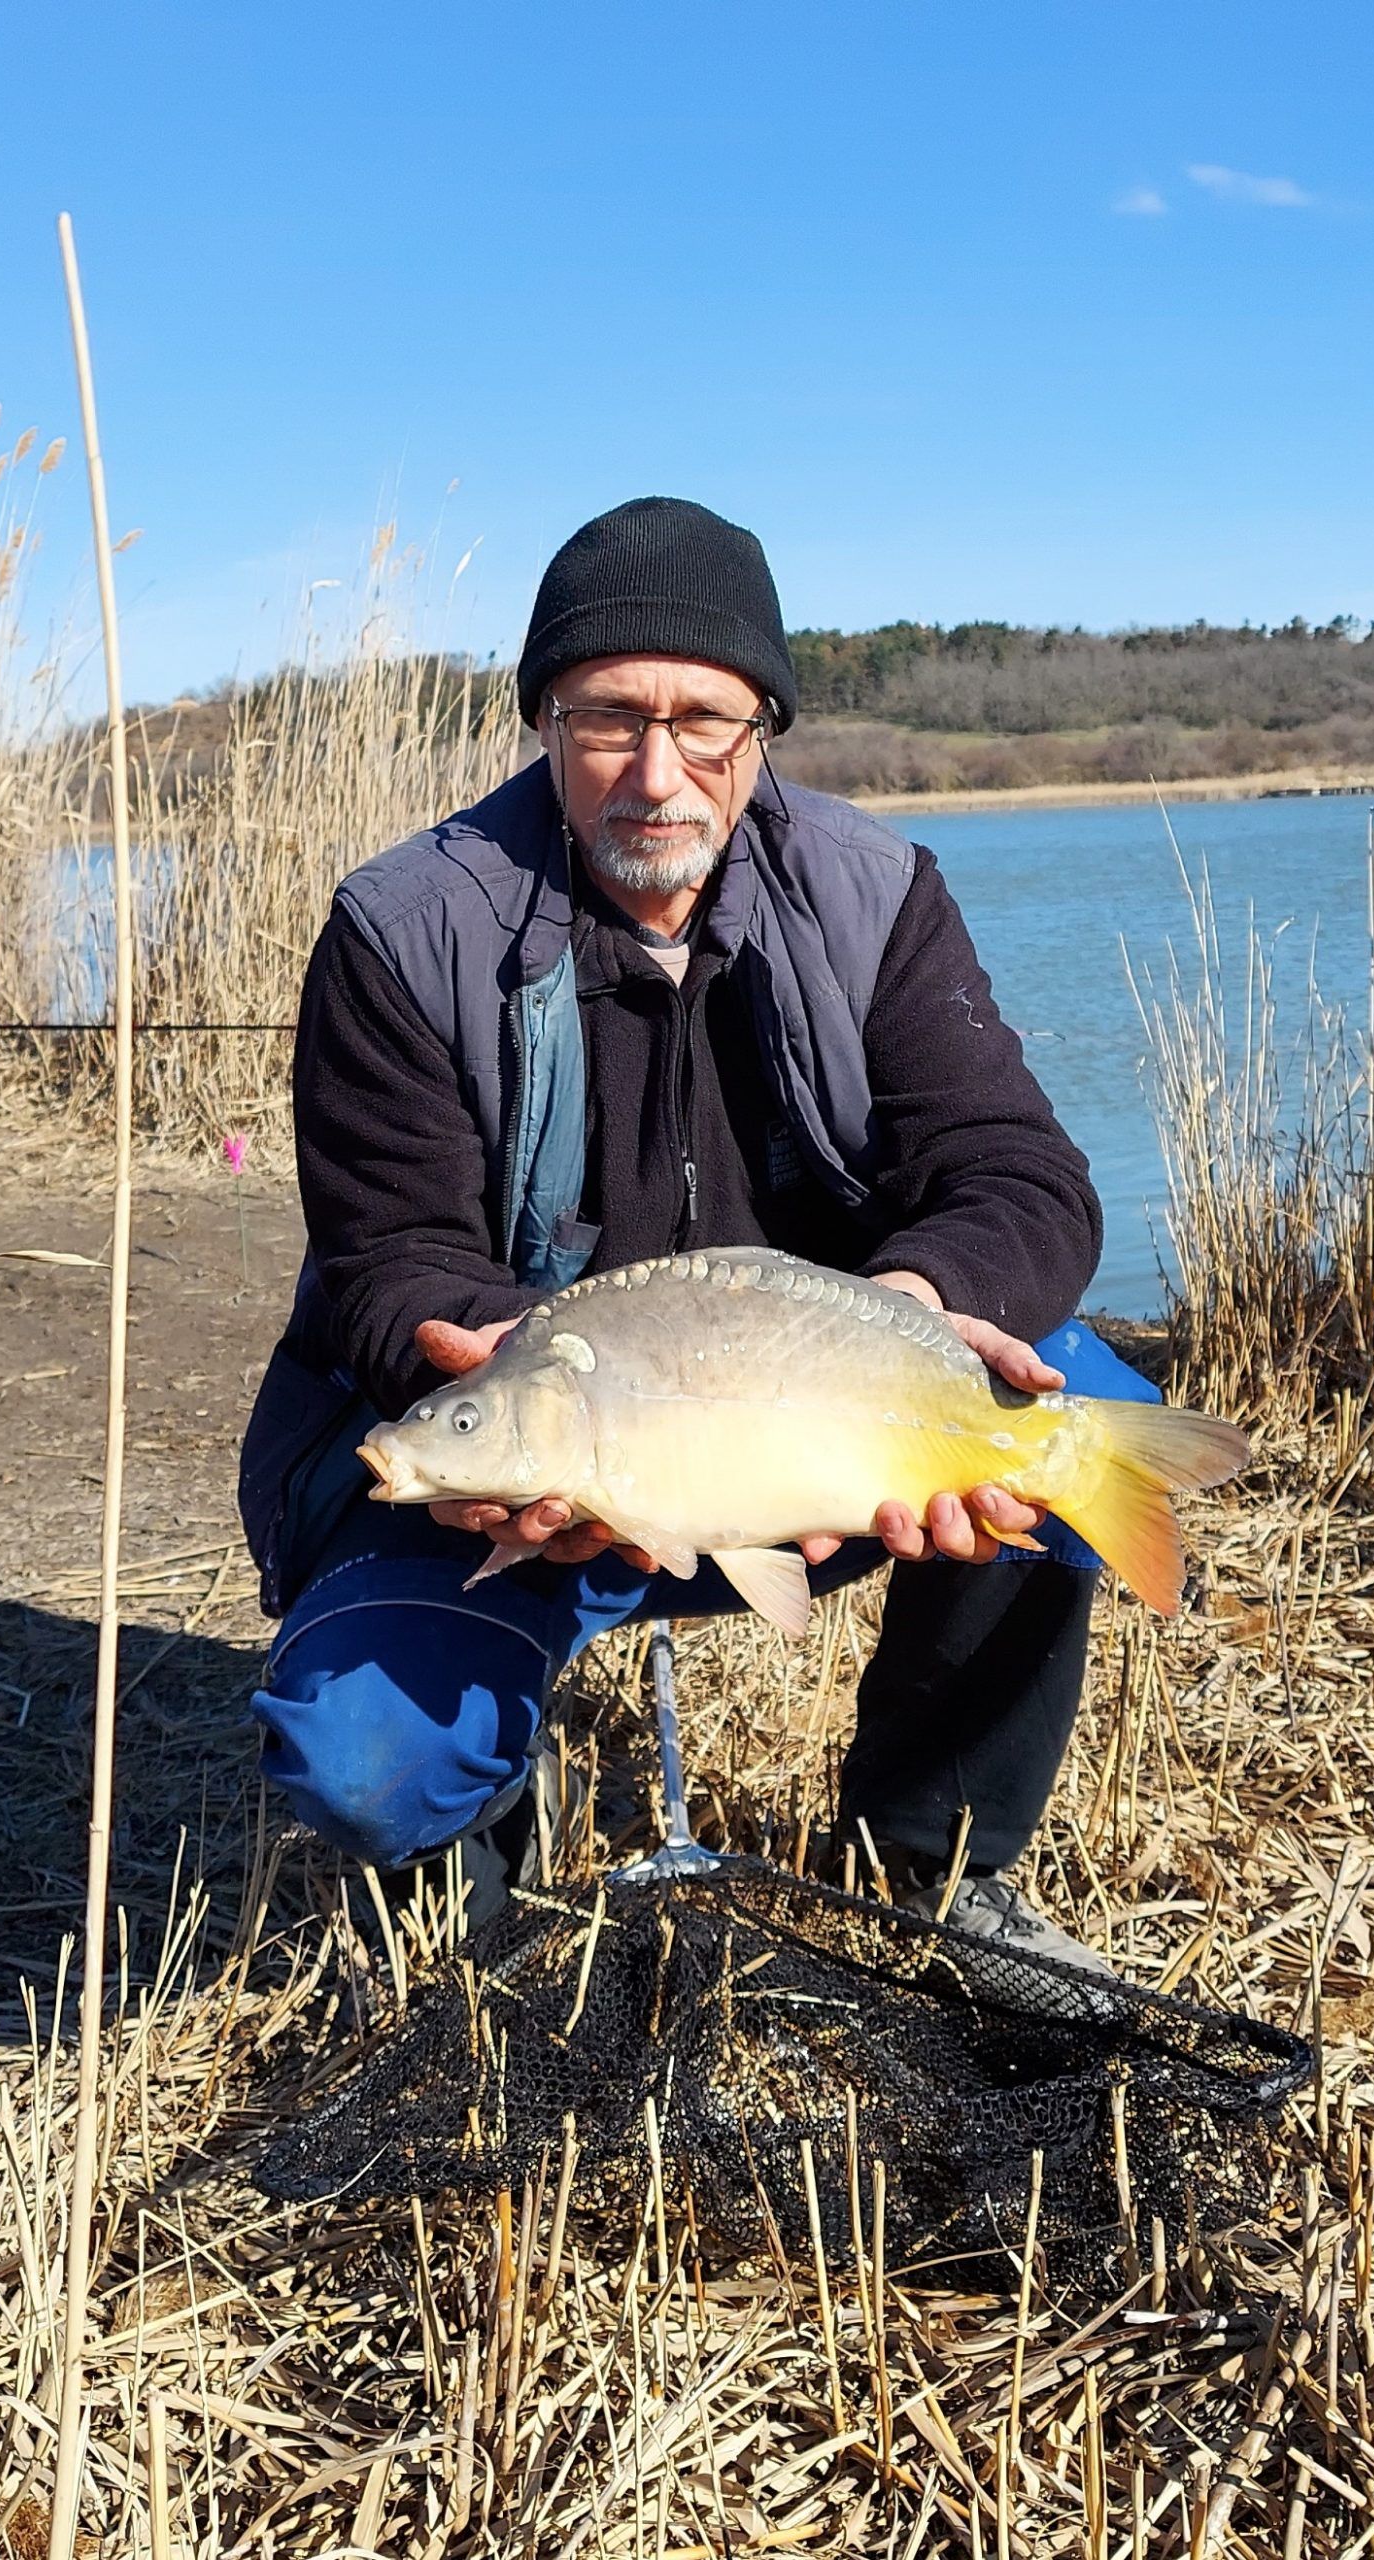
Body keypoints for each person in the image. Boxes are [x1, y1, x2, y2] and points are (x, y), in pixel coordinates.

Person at [239, 497, 1156, 1964]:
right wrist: (458, 1366)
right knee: (365, 1771)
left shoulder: (876, 897)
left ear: (764, 729)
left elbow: (1024, 1178)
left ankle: (934, 1862)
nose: (657, 773)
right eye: (609, 718)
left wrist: (916, 1311)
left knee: (1083, 1407)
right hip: (525, 1461)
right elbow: (383, 1256)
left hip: (813, 1433)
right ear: (545, 718)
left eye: (704, 723)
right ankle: (469, 1824)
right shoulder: (402, 931)